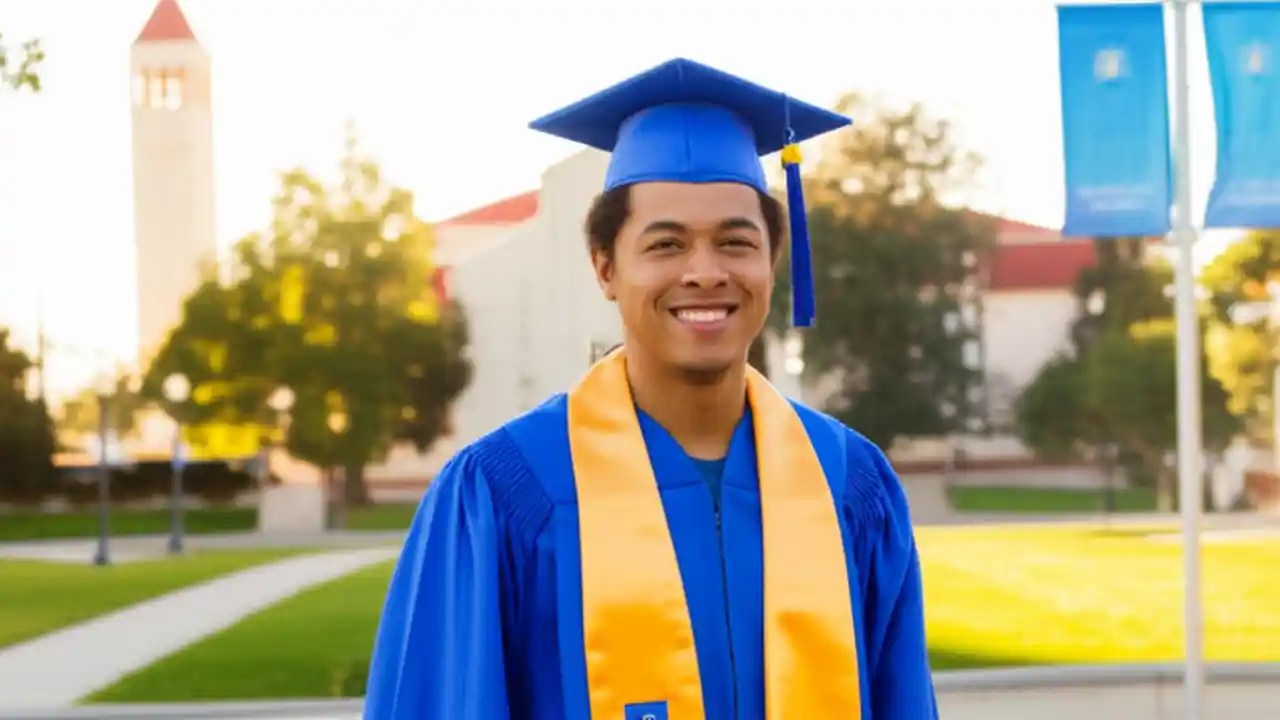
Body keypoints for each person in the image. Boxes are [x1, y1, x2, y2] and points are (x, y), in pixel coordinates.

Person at [363, 57, 937, 720]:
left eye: (735, 242)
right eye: (665, 246)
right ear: (606, 267)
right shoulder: (502, 494)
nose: (705, 272)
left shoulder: (851, 484)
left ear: (772, 261)